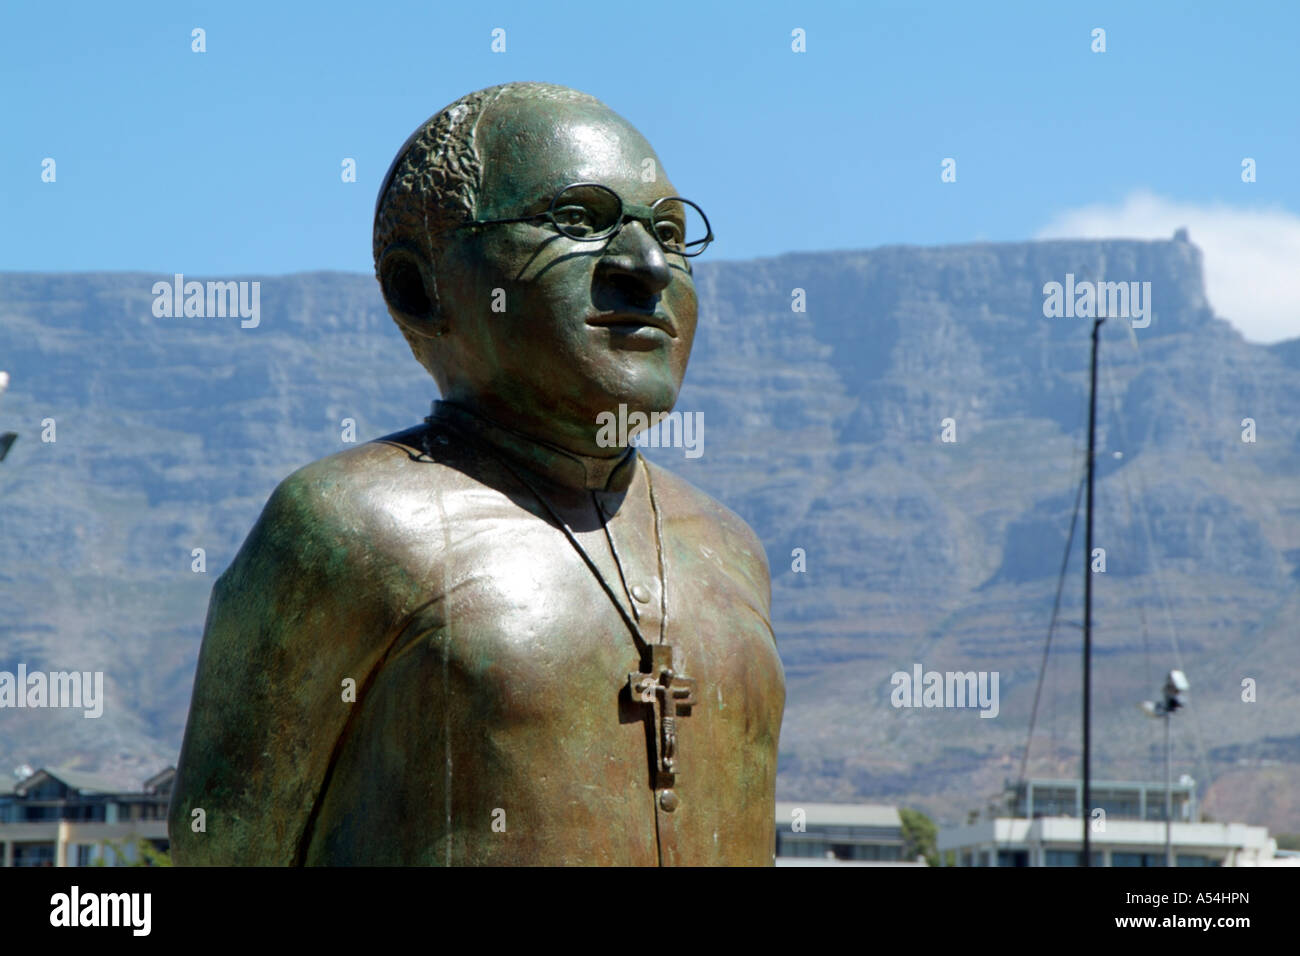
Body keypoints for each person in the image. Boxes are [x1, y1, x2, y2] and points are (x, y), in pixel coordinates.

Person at [169, 82, 785, 865]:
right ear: (419, 288)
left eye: (668, 230)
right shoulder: (346, 529)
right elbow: (221, 854)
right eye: (577, 221)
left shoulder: (732, 550)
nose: (648, 265)